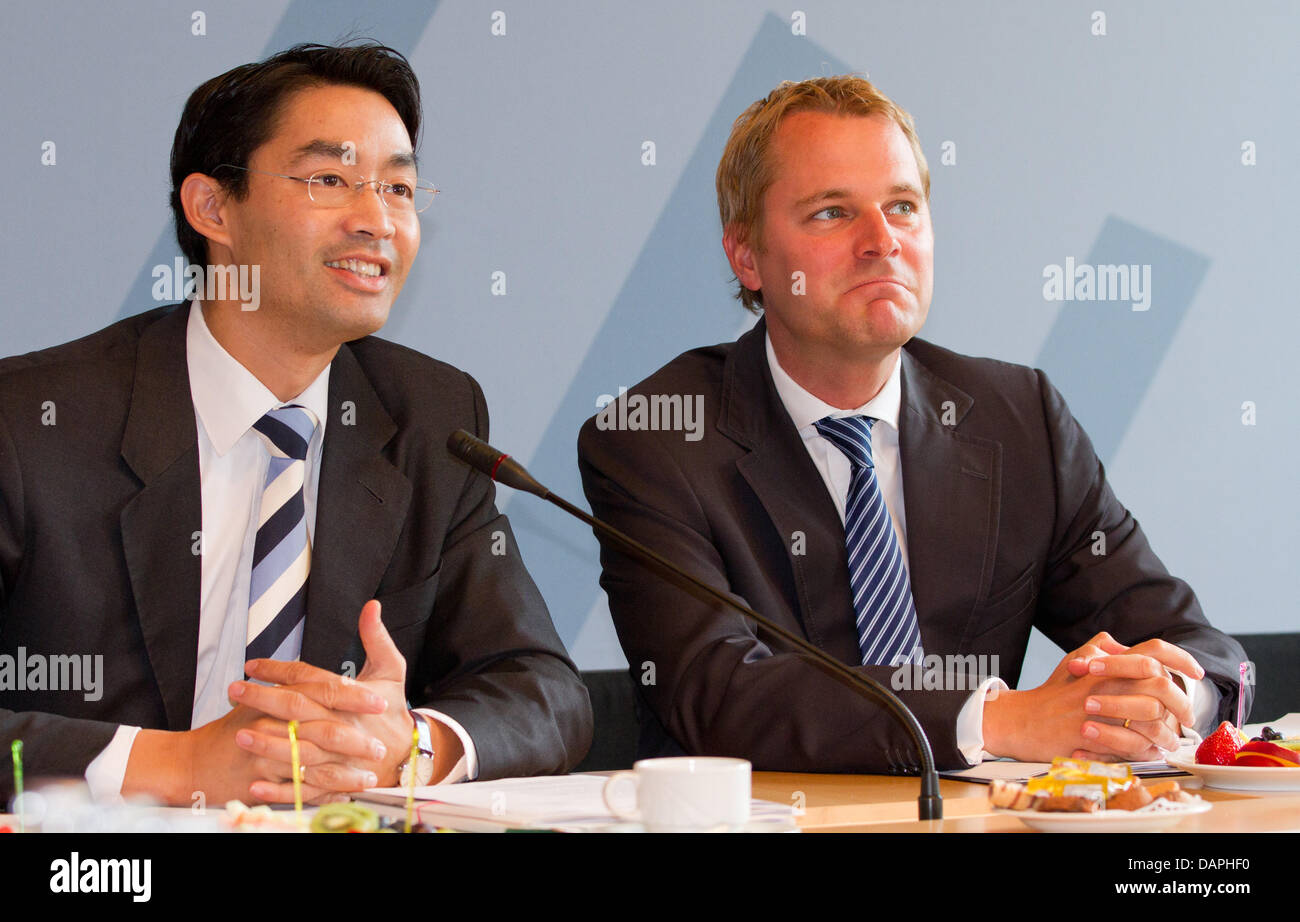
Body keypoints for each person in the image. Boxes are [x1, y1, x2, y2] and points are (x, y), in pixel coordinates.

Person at [577, 76, 1248, 773]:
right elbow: (721, 692)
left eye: (903, 206)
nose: (882, 241)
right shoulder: (654, 441)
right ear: (747, 256)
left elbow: (1191, 643)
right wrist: (997, 718)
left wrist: (1161, 699)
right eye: (832, 213)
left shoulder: (1020, 421)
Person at [0, 42, 591, 805]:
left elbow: (543, 690)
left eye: (400, 188)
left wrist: (403, 746)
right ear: (213, 208)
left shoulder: (429, 419)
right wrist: (177, 767)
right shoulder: (31, 423)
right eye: (329, 180)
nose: (377, 220)